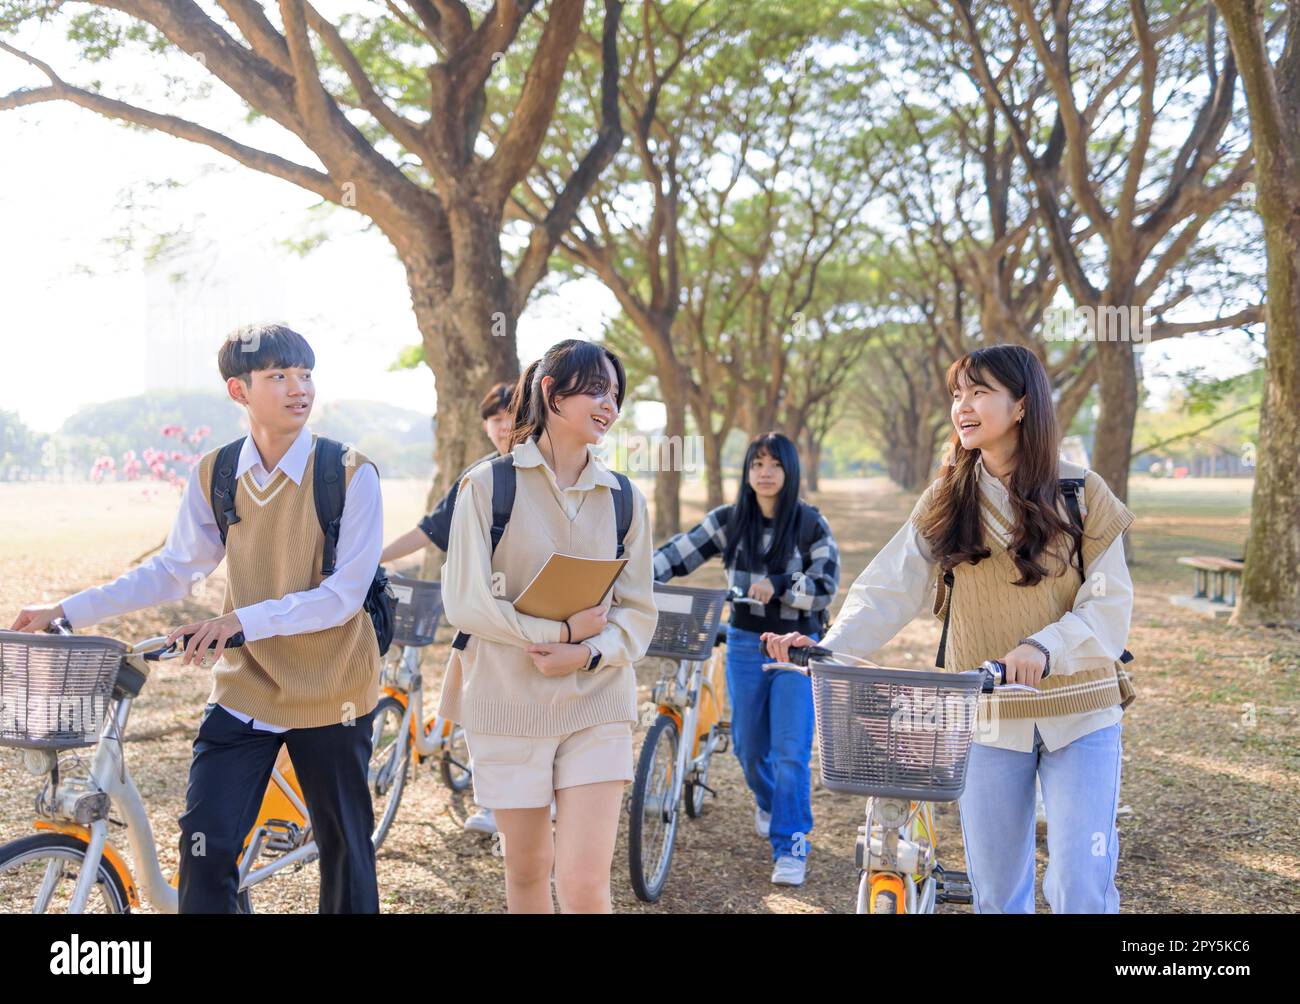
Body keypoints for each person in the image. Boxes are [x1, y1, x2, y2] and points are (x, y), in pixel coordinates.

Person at [12, 323, 385, 914]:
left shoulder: (350, 472)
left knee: (344, 850)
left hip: (334, 685)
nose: (299, 388)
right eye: (278, 376)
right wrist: (65, 609)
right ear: (239, 391)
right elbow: (172, 570)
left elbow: (344, 596)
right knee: (205, 849)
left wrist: (238, 622)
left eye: (305, 374)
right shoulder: (218, 472)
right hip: (247, 687)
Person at [764, 344, 1135, 913]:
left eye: (980, 392)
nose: (963, 405)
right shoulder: (947, 497)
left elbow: (1108, 605)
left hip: (1080, 713)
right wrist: (831, 646)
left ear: (1021, 406)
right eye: (958, 394)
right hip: (986, 717)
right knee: (997, 889)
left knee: (1081, 884)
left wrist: (1045, 645)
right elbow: (891, 586)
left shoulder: (1081, 493)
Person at [436, 339, 657, 913]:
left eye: (614, 392)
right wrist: (557, 636)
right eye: (595, 389)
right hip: (507, 700)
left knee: (585, 883)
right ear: (553, 394)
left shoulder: (626, 498)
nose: (608, 404)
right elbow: (466, 601)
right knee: (529, 872)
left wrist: (587, 654)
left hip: (597, 699)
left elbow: (638, 611)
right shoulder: (487, 485)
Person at [654, 432, 839, 887]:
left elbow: (827, 586)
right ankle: (772, 802)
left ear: (790, 470)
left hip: (798, 647)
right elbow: (675, 556)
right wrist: (628, 577)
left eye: (775, 464)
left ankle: (791, 843)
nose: (765, 472)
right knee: (748, 746)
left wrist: (780, 584)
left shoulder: (810, 524)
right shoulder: (730, 520)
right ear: (748, 472)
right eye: (757, 464)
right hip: (744, 644)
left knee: (790, 751)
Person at [380, 381, 515, 837]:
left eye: (511, 414)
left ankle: (532, 804)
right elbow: (430, 530)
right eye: (493, 417)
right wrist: (368, 560)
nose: (502, 425)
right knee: (478, 709)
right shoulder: (478, 476)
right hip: (480, 615)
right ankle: (495, 803)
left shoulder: (550, 475)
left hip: (530, 615)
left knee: (523, 715)